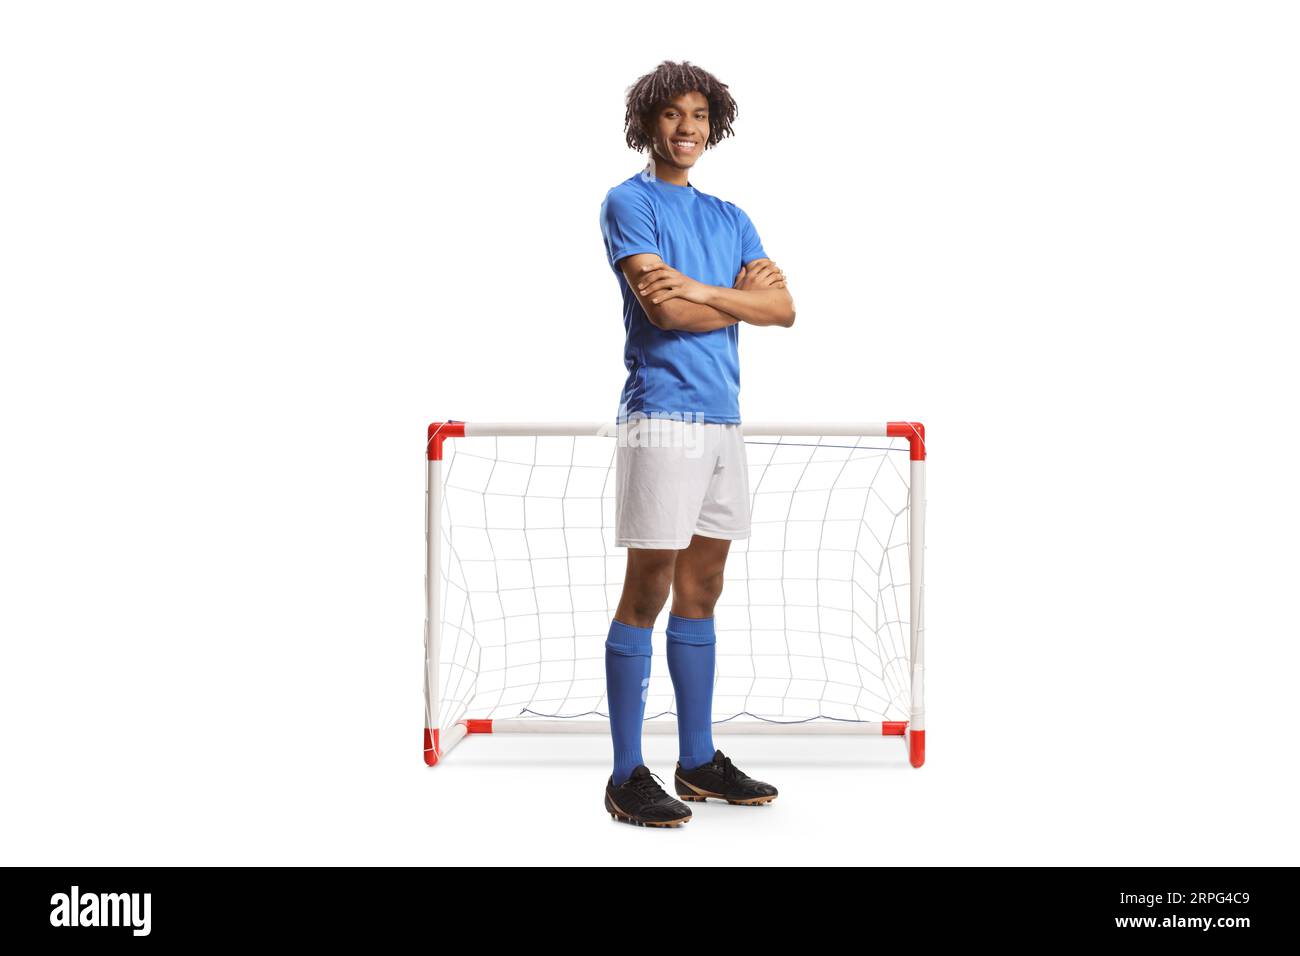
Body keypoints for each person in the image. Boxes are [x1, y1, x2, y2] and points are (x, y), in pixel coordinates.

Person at [597, 60, 796, 827]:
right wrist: (737, 301)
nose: (687, 128)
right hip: (662, 418)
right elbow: (662, 313)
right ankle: (623, 773)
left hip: (722, 420)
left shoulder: (732, 216)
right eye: (672, 115)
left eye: (699, 116)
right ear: (647, 123)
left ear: (714, 126)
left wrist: (706, 291)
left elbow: (783, 309)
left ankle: (699, 761)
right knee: (647, 591)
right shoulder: (628, 202)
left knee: (704, 590)